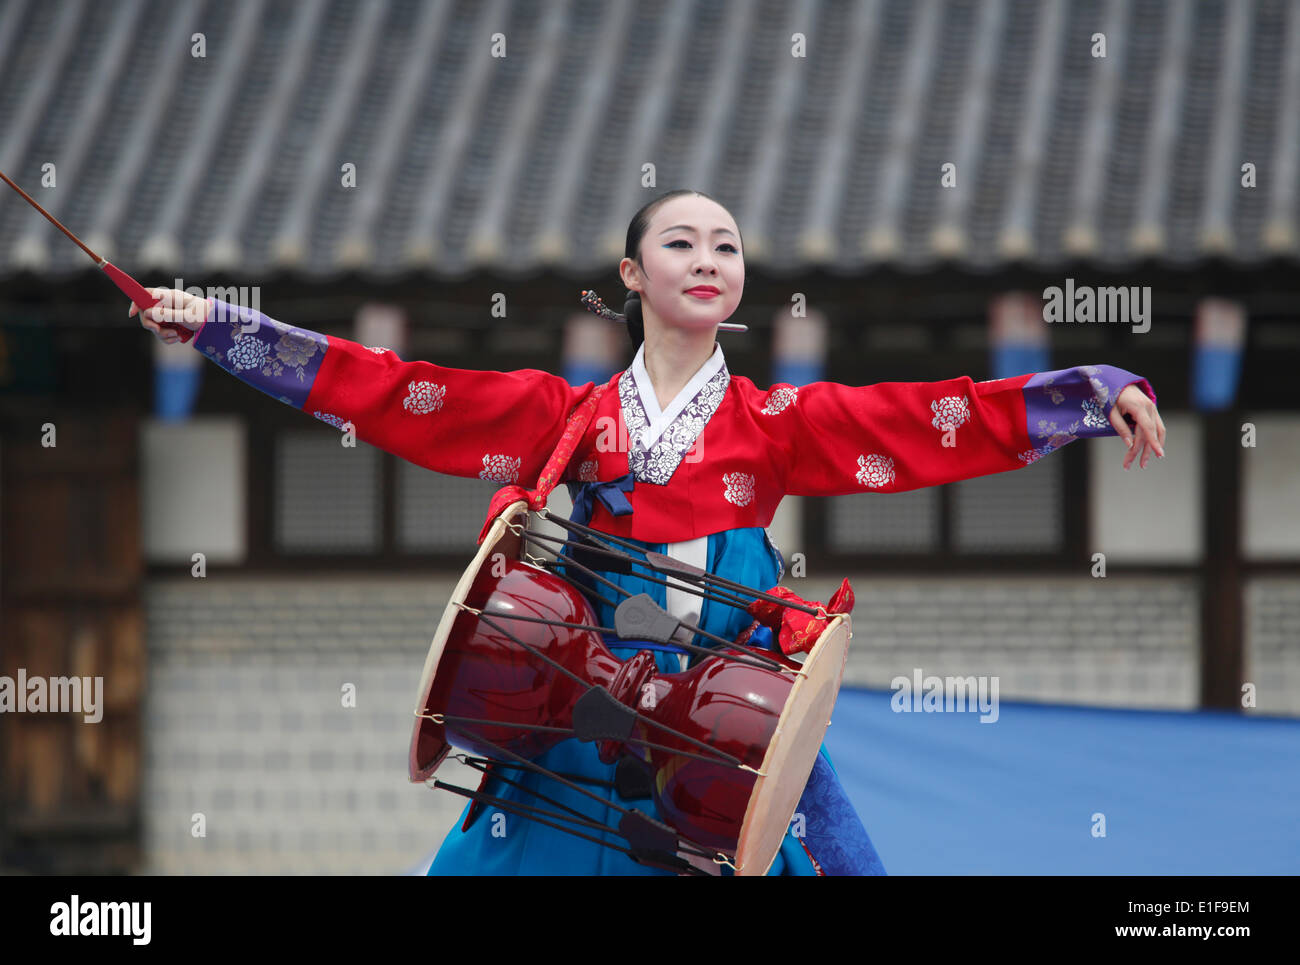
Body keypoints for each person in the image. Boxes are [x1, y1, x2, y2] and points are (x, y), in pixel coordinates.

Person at [134, 189, 1165, 875]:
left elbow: (926, 417)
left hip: (725, 714)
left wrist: (1091, 392)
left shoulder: (774, 424)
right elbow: (402, 394)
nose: (708, 258)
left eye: (726, 246)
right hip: (580, 699)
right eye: (680, 241)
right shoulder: (565, 414)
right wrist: (220, 327)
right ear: (631, 275)